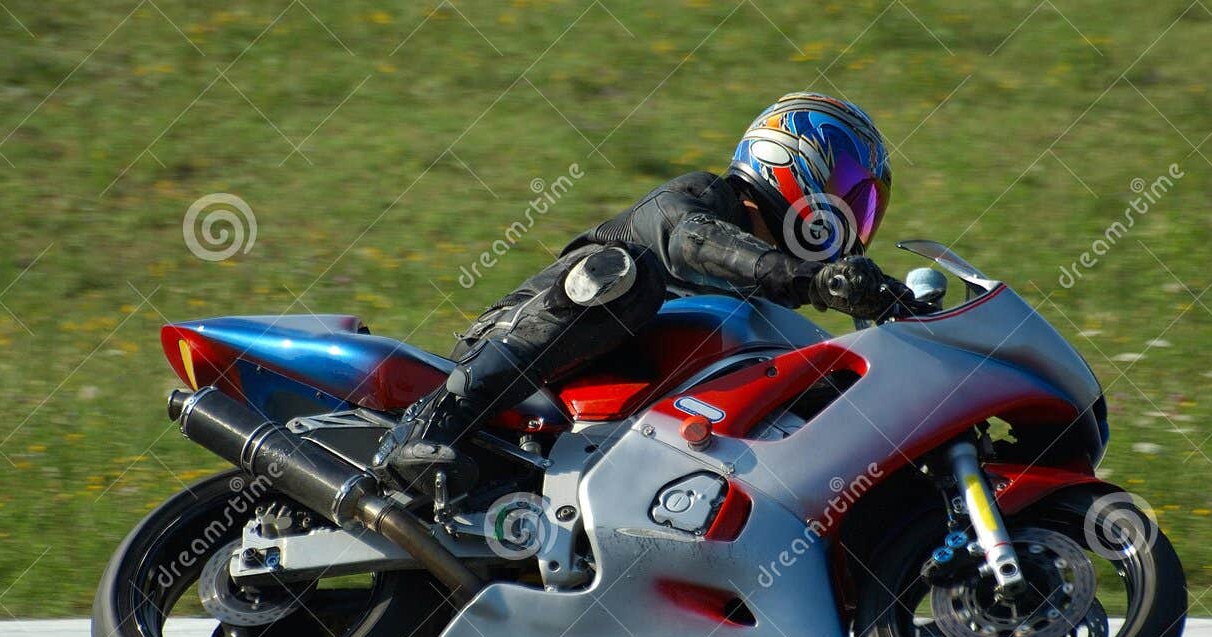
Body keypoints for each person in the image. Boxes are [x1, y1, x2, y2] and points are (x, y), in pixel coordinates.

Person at [373, 91, 917, 494]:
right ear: (792, 158)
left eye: (864, 202)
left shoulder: (771, 308)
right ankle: (429, 421)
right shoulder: (702, 200)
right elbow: (692, 241)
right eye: (849, 187)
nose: (853, 212)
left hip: (621, 423)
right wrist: (812, 280)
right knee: (625, 275)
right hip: (524, 352)